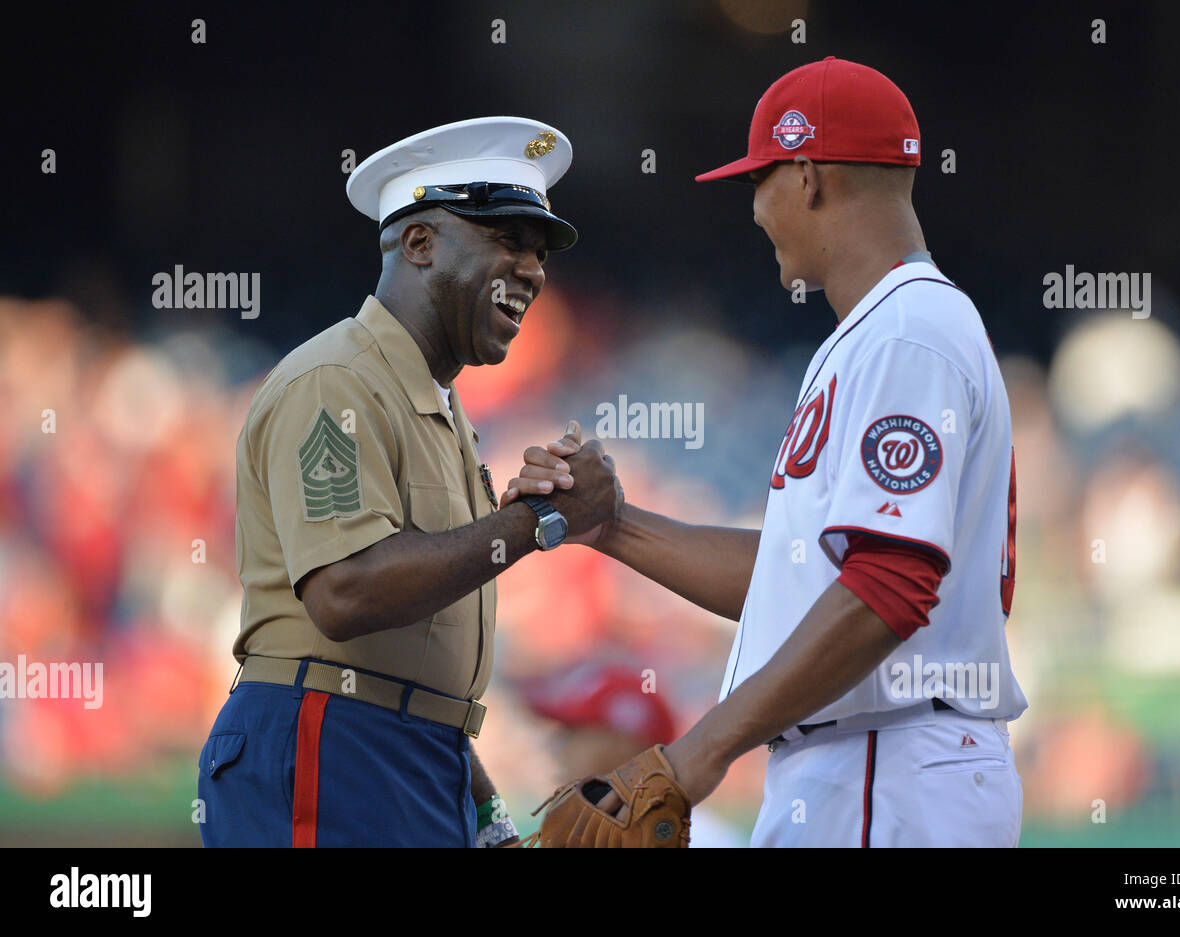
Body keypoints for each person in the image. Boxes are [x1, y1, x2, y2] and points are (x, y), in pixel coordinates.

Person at [502, 59, 1026, 847]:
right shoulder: (876, 334)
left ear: (808, 176)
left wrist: (694, 756)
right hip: (867, 762)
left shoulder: (908, 331)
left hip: (888, 763)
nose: (754, 209)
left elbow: (890, 584)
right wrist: (611, 523)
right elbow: (802, 577)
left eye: (760, 181)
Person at [198, 117, 619, 847]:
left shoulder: (440, 402)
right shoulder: (338, 379)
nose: (533, 269)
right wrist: (536, 521)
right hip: (328, 741)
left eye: (540, 251)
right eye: (508, 238)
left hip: (414, 755)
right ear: (419, 243)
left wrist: (480, 802)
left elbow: (417, 664)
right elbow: (345, 590)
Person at [518, 661, 747, 848]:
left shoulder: (695, 838)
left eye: (571, 732)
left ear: (622, 747)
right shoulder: (595, 830)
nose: (553, 747)